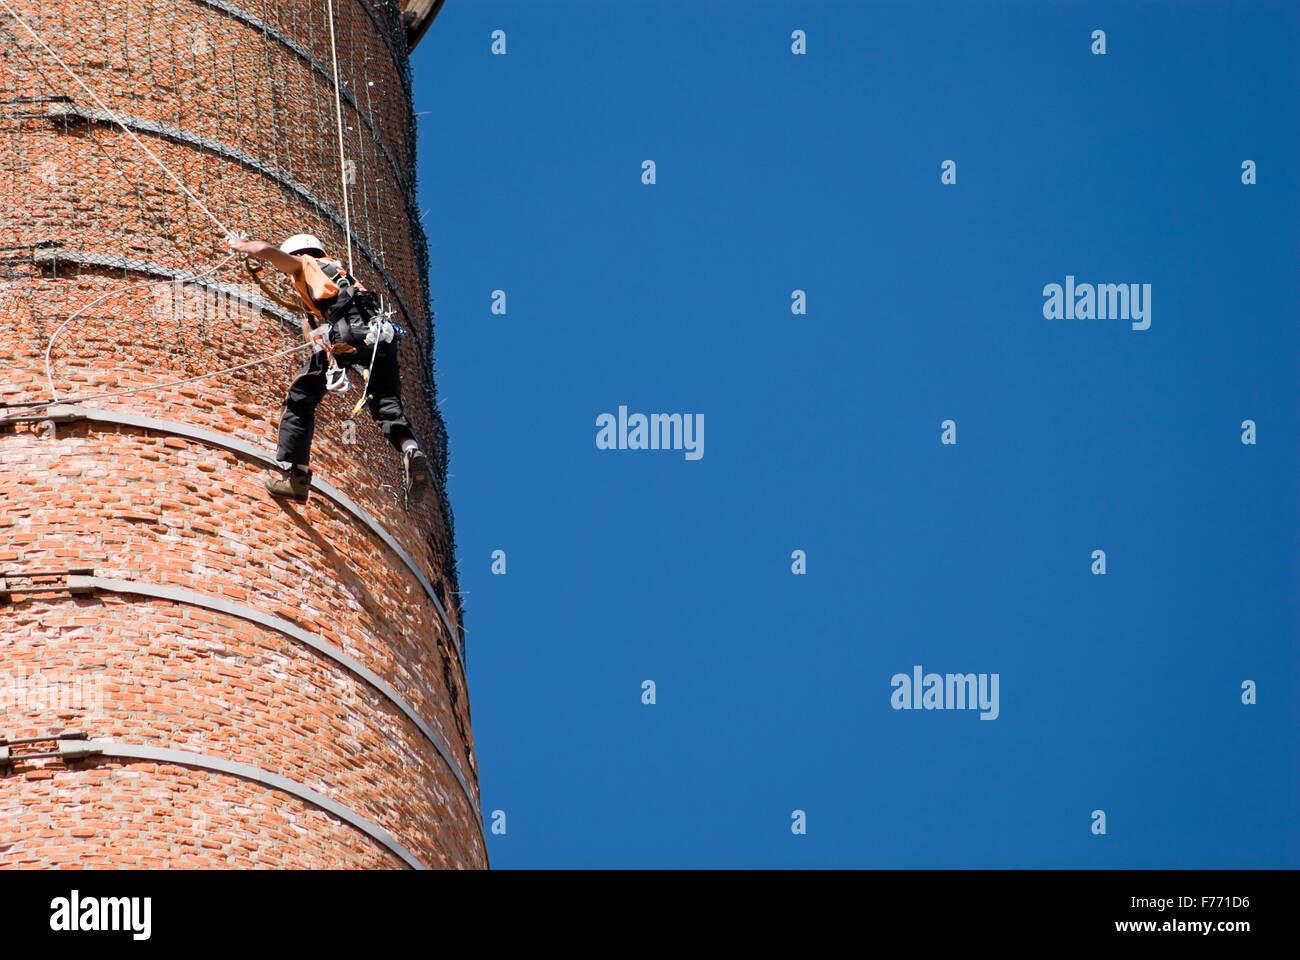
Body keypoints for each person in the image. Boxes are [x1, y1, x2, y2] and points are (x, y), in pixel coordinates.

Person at [227, 232, 431, 503]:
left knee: (300, 398)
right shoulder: (339, 271)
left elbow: (266, 249)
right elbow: (312, 324)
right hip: (382, 338)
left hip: (350, 335)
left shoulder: (305, 265)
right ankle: (410, 449)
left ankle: (296, 478)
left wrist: (240, 245)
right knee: (385, 403)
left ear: (299, 253)